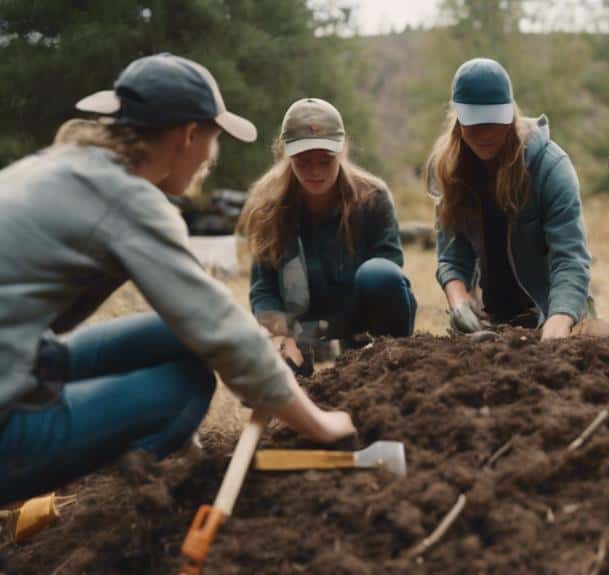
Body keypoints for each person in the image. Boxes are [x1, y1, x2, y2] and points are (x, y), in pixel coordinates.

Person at [0, 53, 356, 505]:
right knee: (181, 389)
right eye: (213, 139)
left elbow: (204, 323)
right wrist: (320, 424)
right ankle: (96, 501)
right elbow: (221, 330)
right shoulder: (129, 201)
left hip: (23, 360)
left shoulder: (66, 165)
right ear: (190, 135)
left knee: (177, 338)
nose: (210, 157)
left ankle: (104, 447)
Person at [239, 98, 415, 374]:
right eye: (304, 162)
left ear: (342, 150)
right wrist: (280, 335)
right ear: (286, 154)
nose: (316, 172)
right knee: (265, 367)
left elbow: (388, 275)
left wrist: (365, 340)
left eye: (325, 160)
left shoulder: (373, 198)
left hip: (361, 320)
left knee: (379, 274)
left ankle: (389, 361)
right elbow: (264, 291)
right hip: (299, 326)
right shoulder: (268, 206)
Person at [427, 57, 596, 340]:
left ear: (511, 114)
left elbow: (570, 258)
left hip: (554, 310)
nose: (485, 134)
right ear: (457, 119)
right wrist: (459, 302)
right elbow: (452, 257)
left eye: (495, 121)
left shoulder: (550, 167)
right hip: (493, 316)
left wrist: (559, 320)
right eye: (474, 123)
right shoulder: (449, 170)